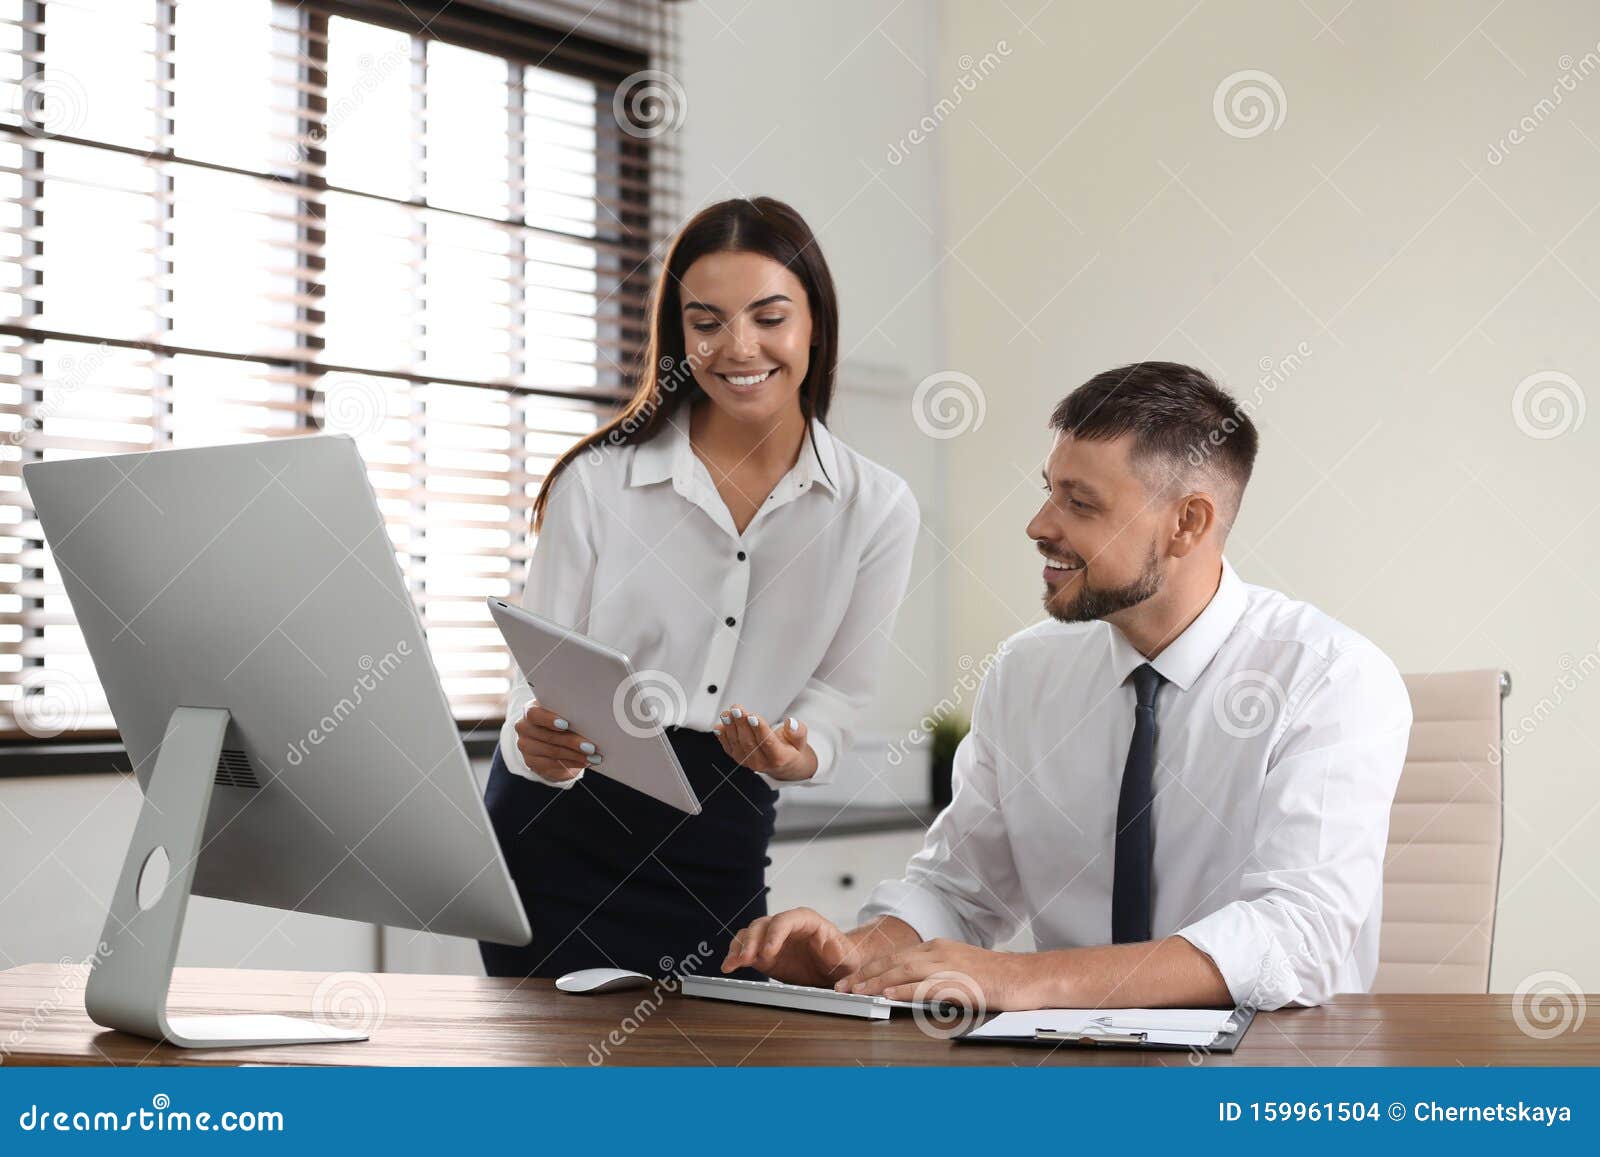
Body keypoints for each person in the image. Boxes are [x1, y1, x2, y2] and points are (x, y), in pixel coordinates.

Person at [722, 361, 1412, 1011]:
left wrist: (1030, 976)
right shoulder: (1027, 673)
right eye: (1049, 490)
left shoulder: (1330, 678)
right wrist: (860, 954)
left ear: (1188, 523)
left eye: (1079, 503)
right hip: (1071, 1064)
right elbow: (959, 889)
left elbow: (1298, 938)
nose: (1040, 525)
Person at [480, 197, 920, 980]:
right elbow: (531, 685)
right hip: (555, 835)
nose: (737, 346)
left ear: (815, 324)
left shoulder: (876, 508)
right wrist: (533, 739)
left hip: (719, 835)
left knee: (707, 1079)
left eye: (769, 316)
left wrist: (797, 751)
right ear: (679, 335)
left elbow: (840, 696)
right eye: (707, 320)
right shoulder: (598, 481)